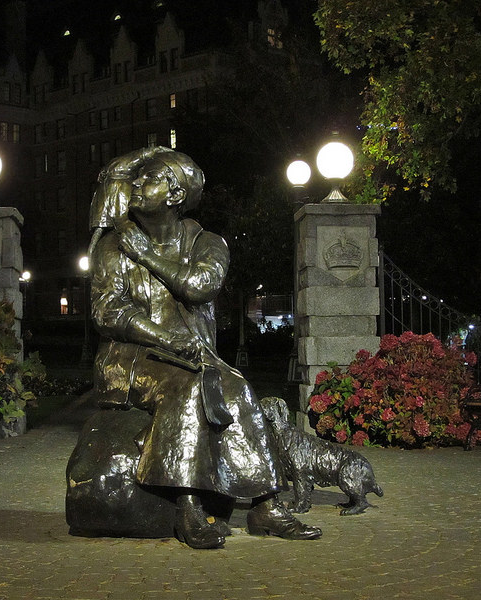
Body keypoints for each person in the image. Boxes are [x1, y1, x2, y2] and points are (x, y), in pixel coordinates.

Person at [87, 147, 322, 549]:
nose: (138, 186)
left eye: (151, 179)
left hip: (194, 355)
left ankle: (264, 504)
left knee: (238, 389)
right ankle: (189, 507)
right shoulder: (113, 245)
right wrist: (164, 338)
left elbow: (200, 286)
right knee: (187, 386)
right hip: (130, 358)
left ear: (176, 195)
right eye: (137, 180)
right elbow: (107, 312)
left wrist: (147, 256)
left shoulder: (208, 243)